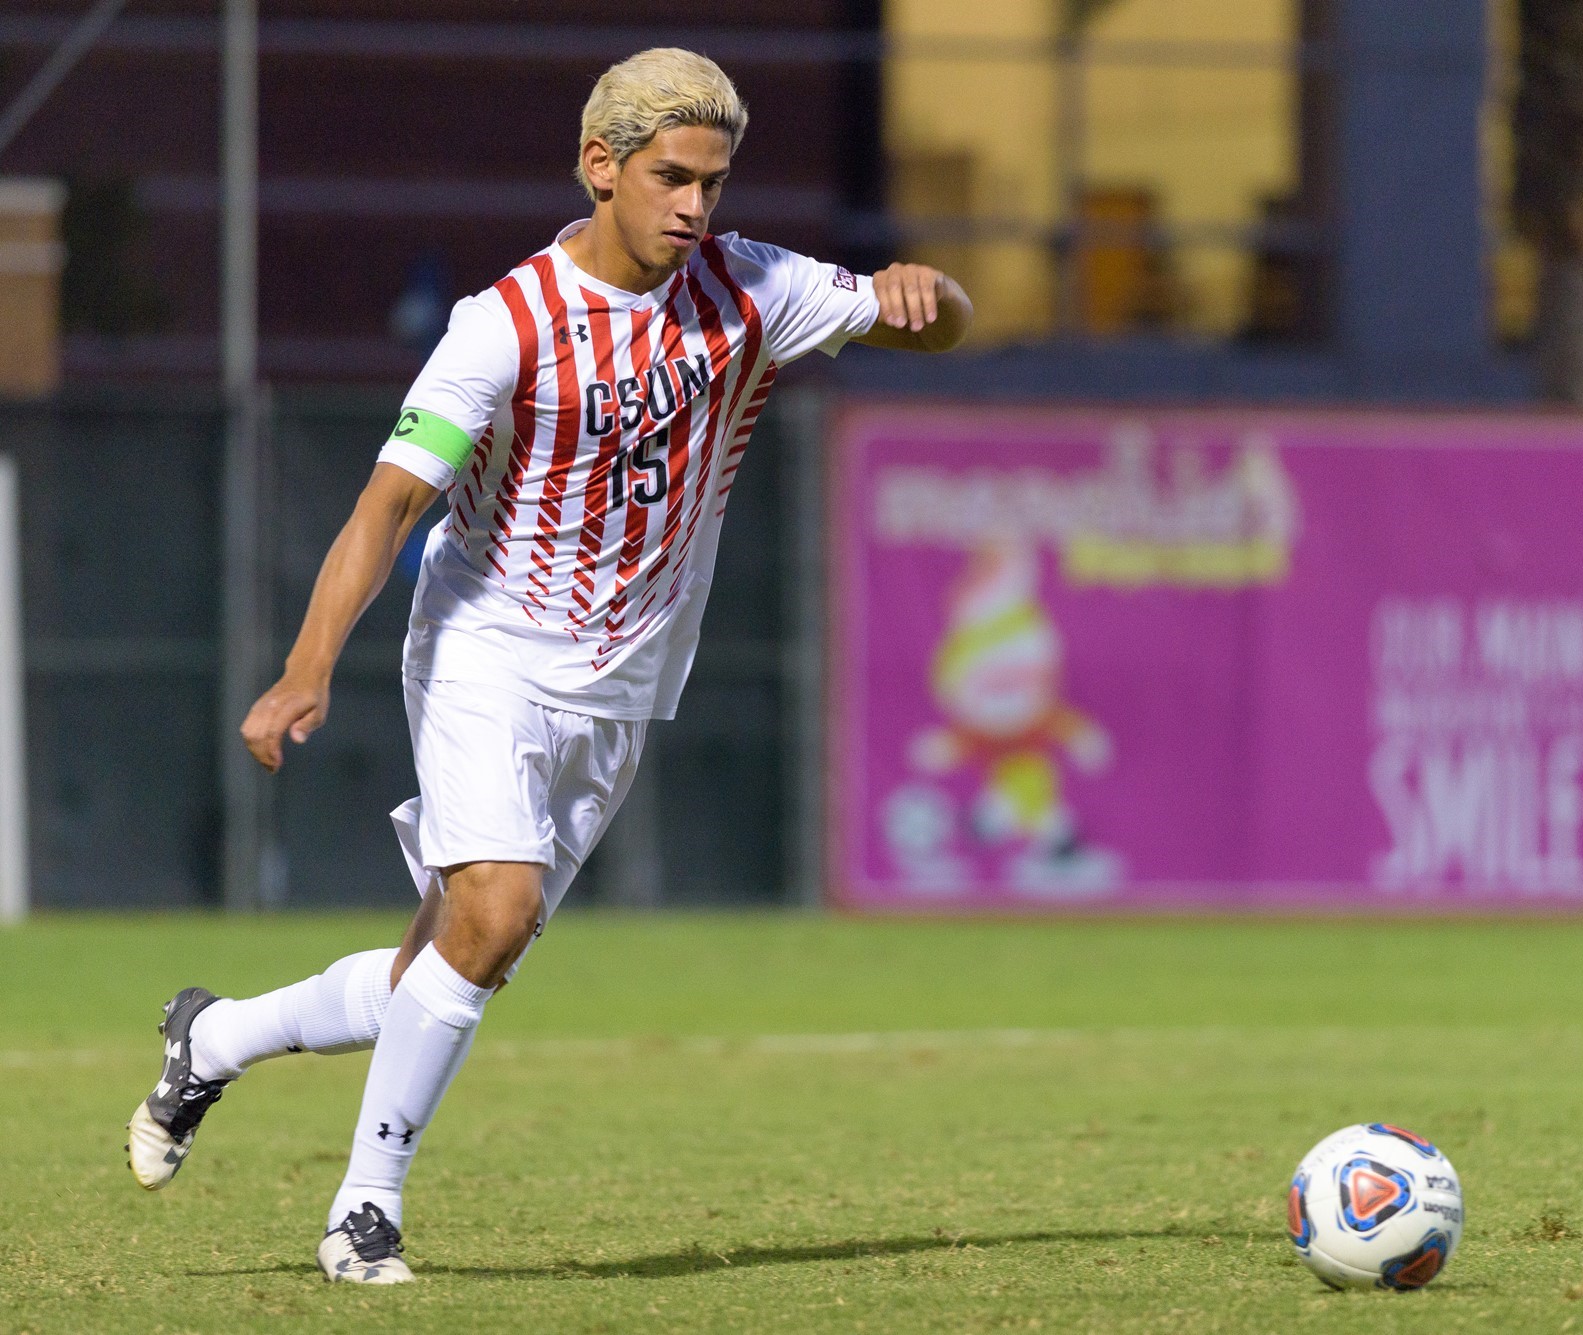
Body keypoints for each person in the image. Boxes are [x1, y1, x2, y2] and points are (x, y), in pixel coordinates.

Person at [124, 48, 972, 1284]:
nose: (694, 206)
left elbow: (939, 326)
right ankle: (364, 1211)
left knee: (448, 963)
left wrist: (927, 295)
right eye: (671, 177)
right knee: (496, 914)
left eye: (713, 182)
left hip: (625, 684)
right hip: (487, 650)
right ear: (599, 167)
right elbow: (387, 505)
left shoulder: (754, 288)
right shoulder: (503, 324)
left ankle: (213, 1039)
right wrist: (305, 667)